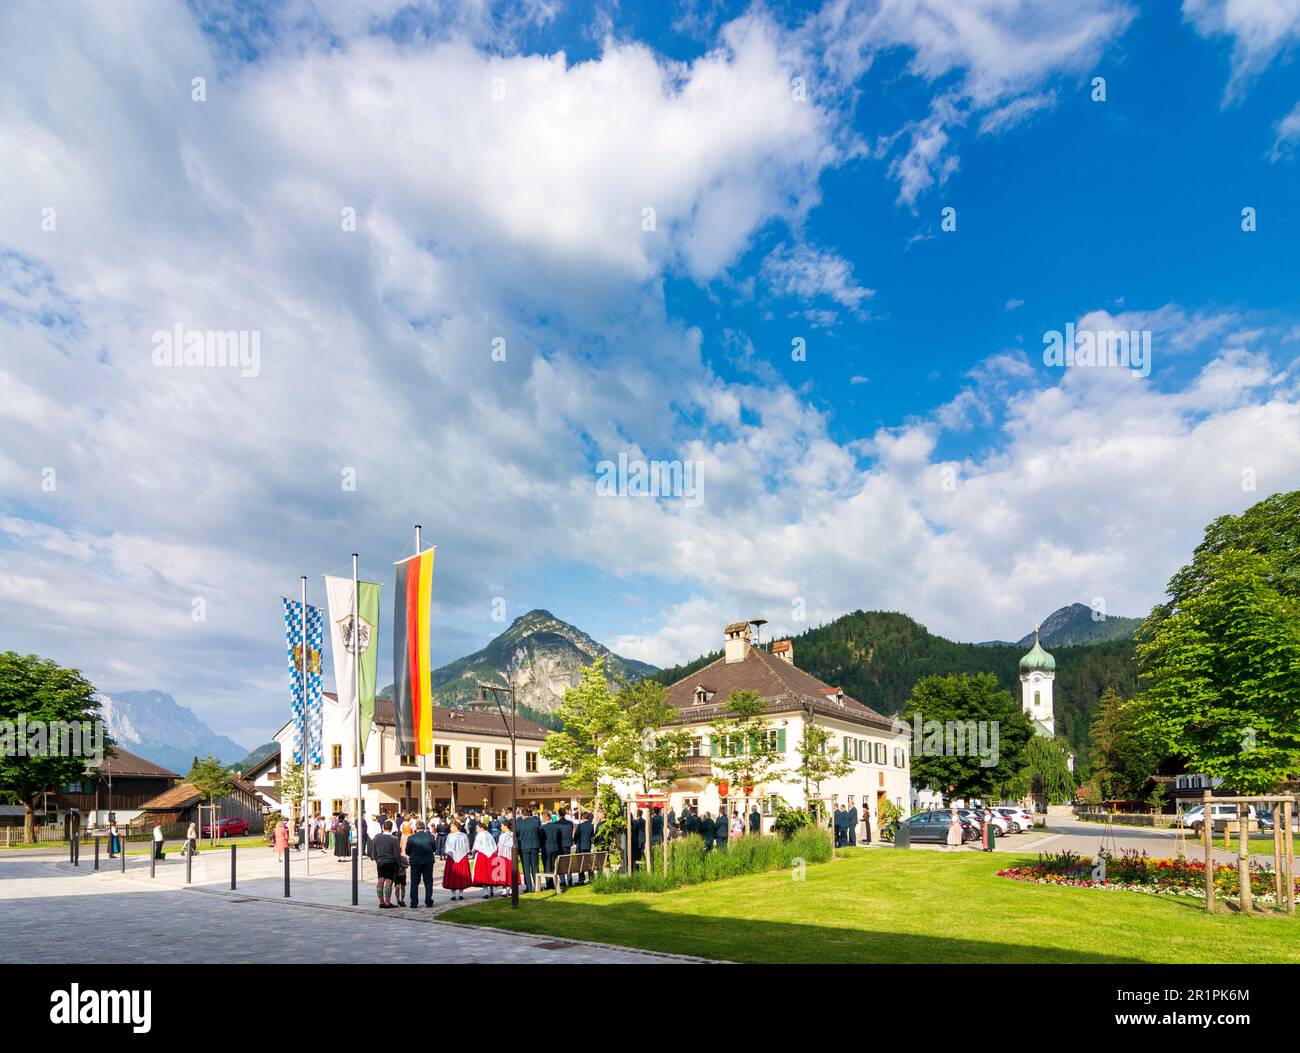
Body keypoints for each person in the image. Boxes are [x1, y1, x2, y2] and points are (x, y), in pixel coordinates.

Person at [405, 819, 437, 908]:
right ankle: (428, 900)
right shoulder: (430, 836)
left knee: (415, 882)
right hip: (428, 861)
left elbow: (407, 851)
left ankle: (414, 902)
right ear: (424, 828)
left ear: (416, 828)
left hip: (416, 861)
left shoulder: (411, 838)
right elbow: (434, 848)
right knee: (428, 881)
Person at [372, 819, 402, 908]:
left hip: (380, 862)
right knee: (388, 882)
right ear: (391, 828)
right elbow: (397, 853)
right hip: (390, 862)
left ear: (382, 827)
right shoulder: (394, 839)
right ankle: (387, 902)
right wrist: (399, 864)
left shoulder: (376, 838)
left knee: (380, 881)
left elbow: (374, 853)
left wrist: (377, 860)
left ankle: (381, 902)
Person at [442, 820, 472, 901]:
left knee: (459, 874)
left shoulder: (461, 835)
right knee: (454, 875)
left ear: (455, 827)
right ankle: (455, 894)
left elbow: (447, 848)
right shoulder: (460, 836)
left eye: (451, 826)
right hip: (458, 857)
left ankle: (458, 894)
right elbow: (467, 848)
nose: (450, 828)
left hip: (455, 858)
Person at [516, 809, 541, 893]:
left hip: (524, 847)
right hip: (534, 846)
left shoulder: (519, 823)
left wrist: (520, 818)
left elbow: (516, 833)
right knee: (535, 867)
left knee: (526, 868)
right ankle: (538, 886)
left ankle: (529, 887)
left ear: (522, 814)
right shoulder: (535, 822)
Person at [471, 823, 499, 898]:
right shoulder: (490, 835)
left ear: (481, 828)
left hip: (482, 856)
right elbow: (494, 846)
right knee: (490, 873)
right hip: (491, 855)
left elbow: (476, 847)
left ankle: (486, 892)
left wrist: (474, 852)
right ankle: (492, 891)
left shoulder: (479, 835)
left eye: (477, 828)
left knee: (483, 874)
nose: (476, 830)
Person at [493, 819, 517, 891]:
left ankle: (504, 890)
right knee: (510, 873)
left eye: (502, 826)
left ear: (505, 826)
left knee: (504, 873)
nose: (501, 827)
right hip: (511, 856)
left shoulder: (502, 836)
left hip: (503, 856)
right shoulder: (513, 835)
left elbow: (500, 846)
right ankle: (510, 890)